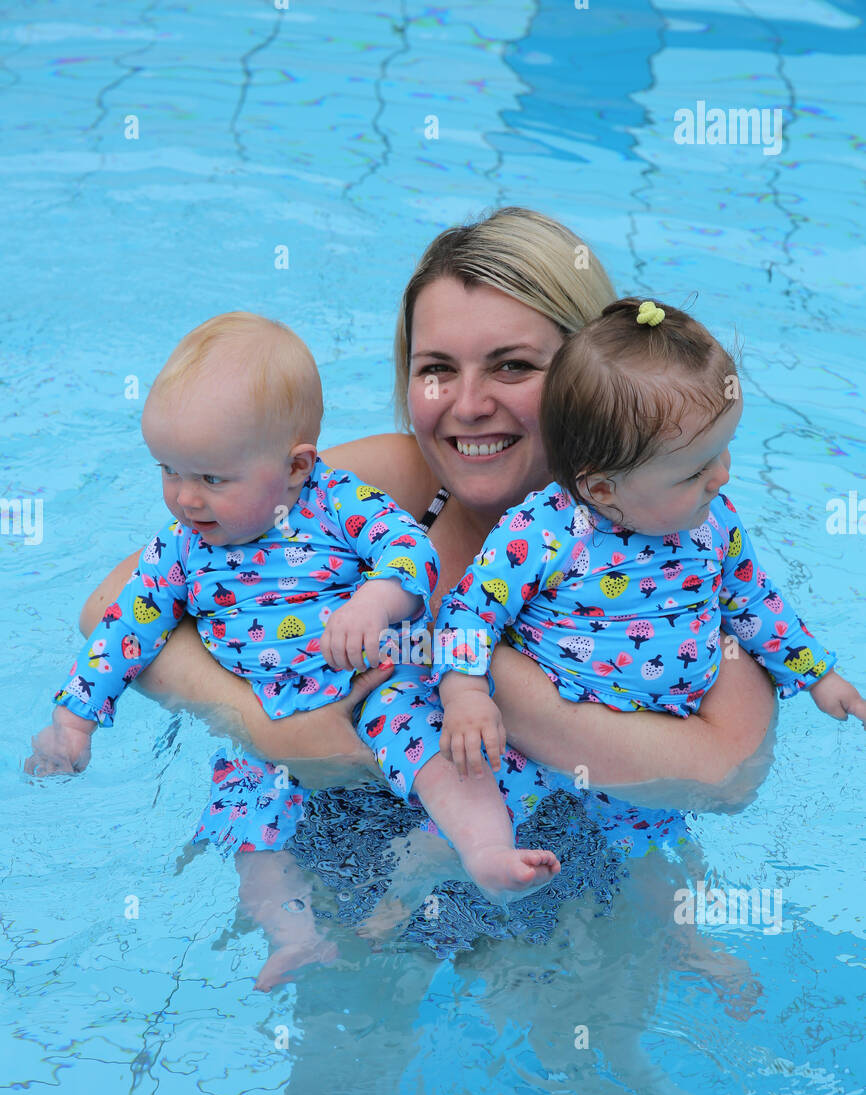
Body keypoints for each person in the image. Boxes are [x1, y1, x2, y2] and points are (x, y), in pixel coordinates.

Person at [73, 208, 780, 964]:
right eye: (436, 368)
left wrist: (488, 681)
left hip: (574, 865)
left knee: (589, 1059)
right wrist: (266, 726)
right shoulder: (395, 484)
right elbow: (110, 607)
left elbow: (728, 772)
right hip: (351, 843)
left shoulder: (670, 535)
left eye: (512, 366)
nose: (467, 404)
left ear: (591, 378)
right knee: (342, 1058)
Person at [26, 310, 452, 983]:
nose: (185, 499)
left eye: (212, 480)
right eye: (169, 471)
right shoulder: (182, 549)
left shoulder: (338, 503)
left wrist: (375, 600)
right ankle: (295, 935)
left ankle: (423, 875)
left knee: (439, 766)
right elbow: (123, 626)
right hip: (273, 725)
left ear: (296, 467)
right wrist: (72, 720)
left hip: (380, 694)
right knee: (247, 831)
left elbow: (411, 551)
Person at [400, 297, 863, 858]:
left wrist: (818, 675)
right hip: (530, 766)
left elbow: (752, 600)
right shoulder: (544, 532)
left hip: (645, 766)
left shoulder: (712, 520)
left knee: (643, 871)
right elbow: (471, 609)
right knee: (464, 846)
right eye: (695, 470)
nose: (722, 477)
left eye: (723, 452)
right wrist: (466, 690)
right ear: (600, 490)